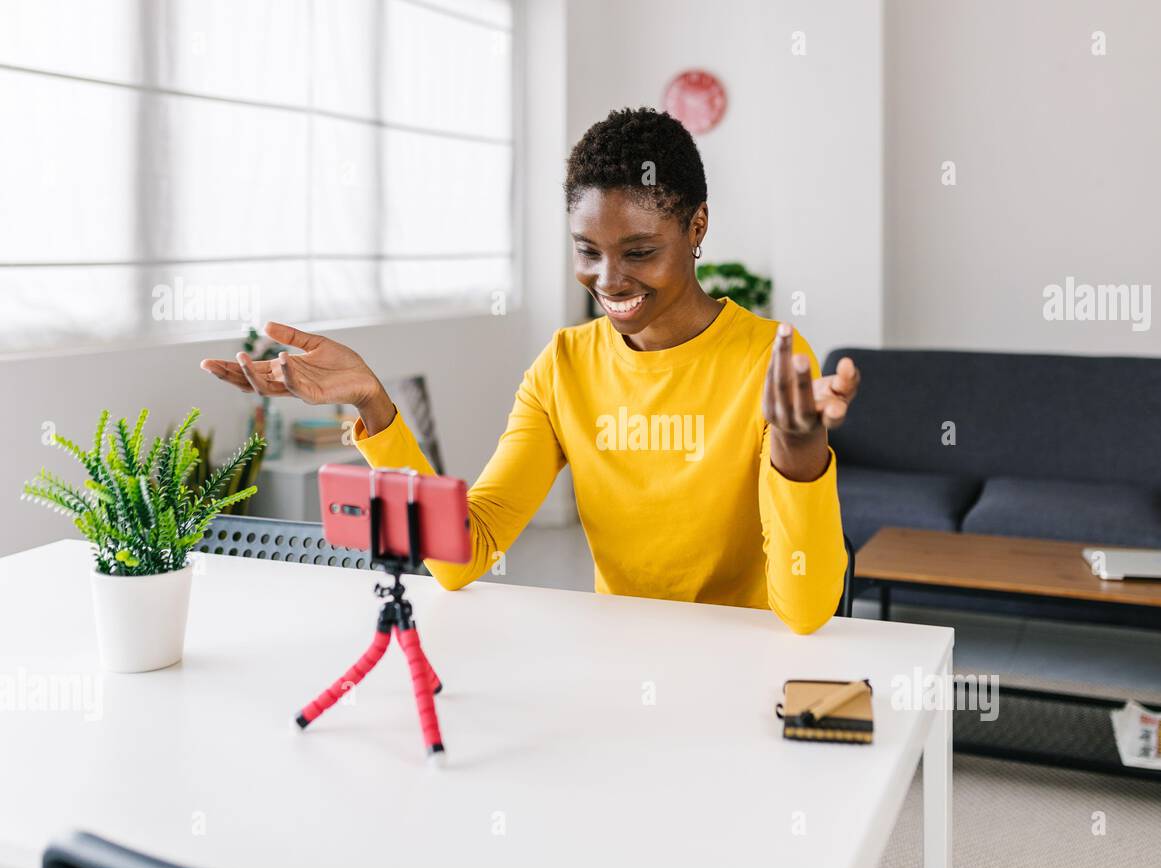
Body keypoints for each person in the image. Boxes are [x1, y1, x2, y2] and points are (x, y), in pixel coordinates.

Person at [201, 107, 860, 634]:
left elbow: (804, 613)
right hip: (618, 661)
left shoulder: (771, 358)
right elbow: (463, 555)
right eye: (587, 251)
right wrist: (374, 406)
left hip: (744, 663)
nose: (609, 279)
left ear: (697, 227)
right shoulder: (564, 366)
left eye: (640, 251)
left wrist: (799, 451)